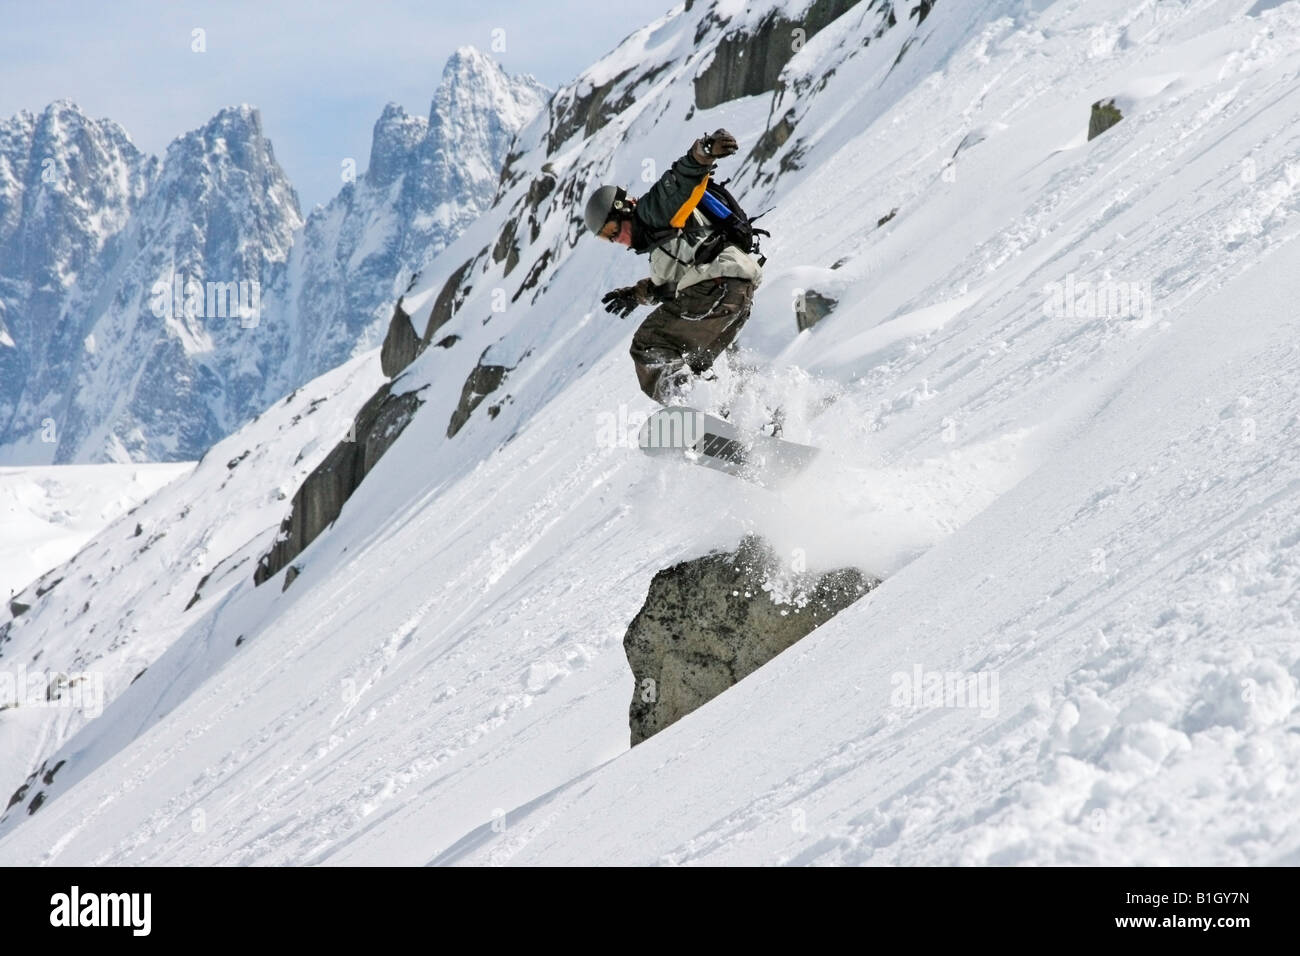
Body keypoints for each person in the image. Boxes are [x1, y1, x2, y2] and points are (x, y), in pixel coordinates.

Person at [584, 129, 763, 405]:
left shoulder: (651, 212)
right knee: (696, 364)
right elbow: (669, 287)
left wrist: (702, 152)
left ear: (625, 208)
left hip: (718, 285)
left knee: (647, 344)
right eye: (606, 238)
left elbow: (678, 182)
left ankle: (688, 407)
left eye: (612, 228)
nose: (616, 239)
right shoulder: (662, 246)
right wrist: (634, 294)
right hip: (735, 295)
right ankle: (744, 417)